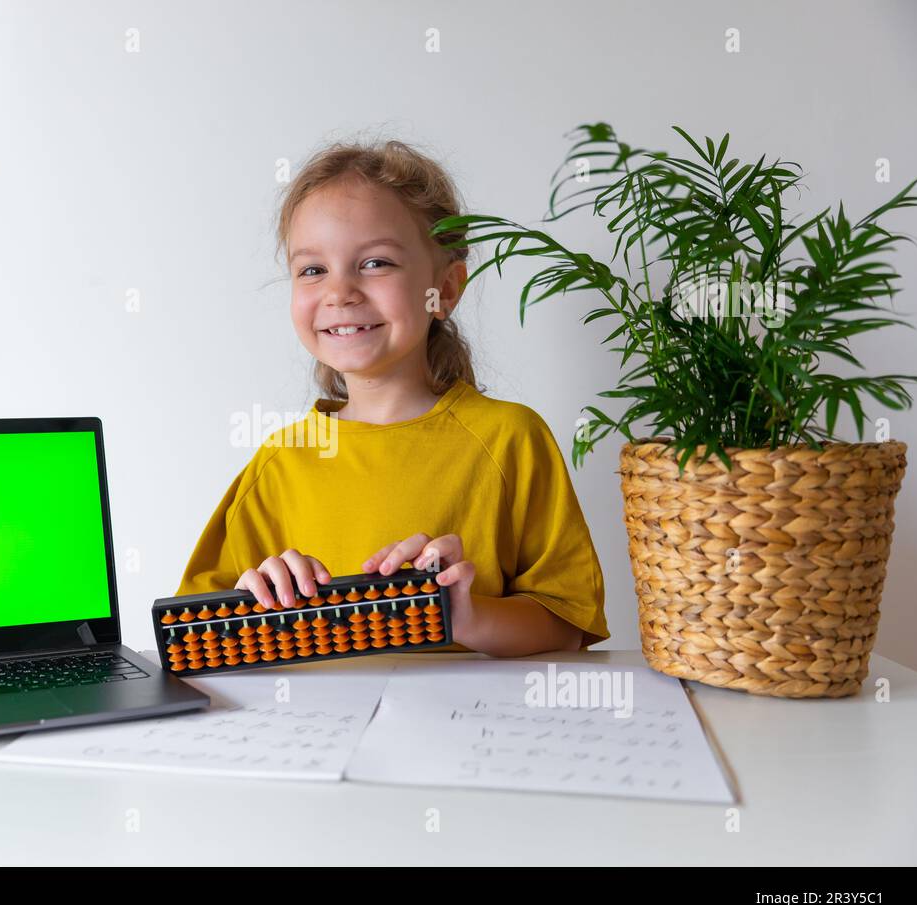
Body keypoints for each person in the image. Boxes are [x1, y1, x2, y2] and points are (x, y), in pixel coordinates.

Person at [176, 139, 609, 656]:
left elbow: (567, 625)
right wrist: (254, 601)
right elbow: (195, 635)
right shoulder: (279, 462)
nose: (340, 292)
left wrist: (465, 616)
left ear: (444, 290)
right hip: (319, 733)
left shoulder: (511, 438)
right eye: (313, 270)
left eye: (376, 263)